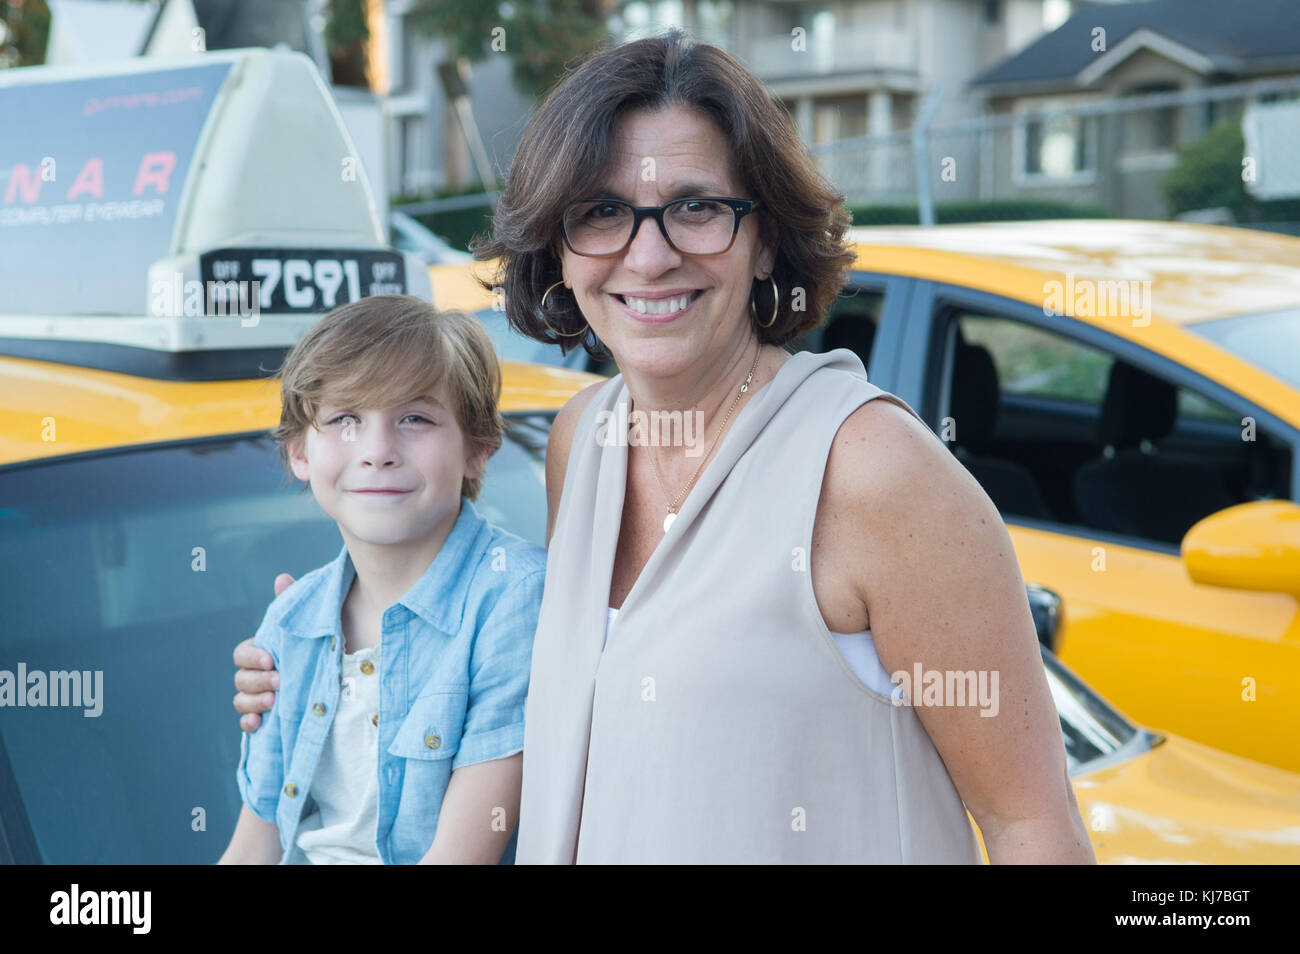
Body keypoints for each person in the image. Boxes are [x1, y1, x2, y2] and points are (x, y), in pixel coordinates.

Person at [234, 31, 1094, 863]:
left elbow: (1031, 827)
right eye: (602, 211)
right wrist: (329, 655)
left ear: (765, 241)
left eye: (695, 207)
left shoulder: (868, 468)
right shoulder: (583, 441)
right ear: (560, 250)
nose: (649, 256)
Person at [219, 296, 545, 865]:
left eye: (414, 418)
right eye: (345, 419)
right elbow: (252, 847)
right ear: (299, 450)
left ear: (478, 448)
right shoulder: (291, 620)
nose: (377, 452)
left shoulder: (513, 600)